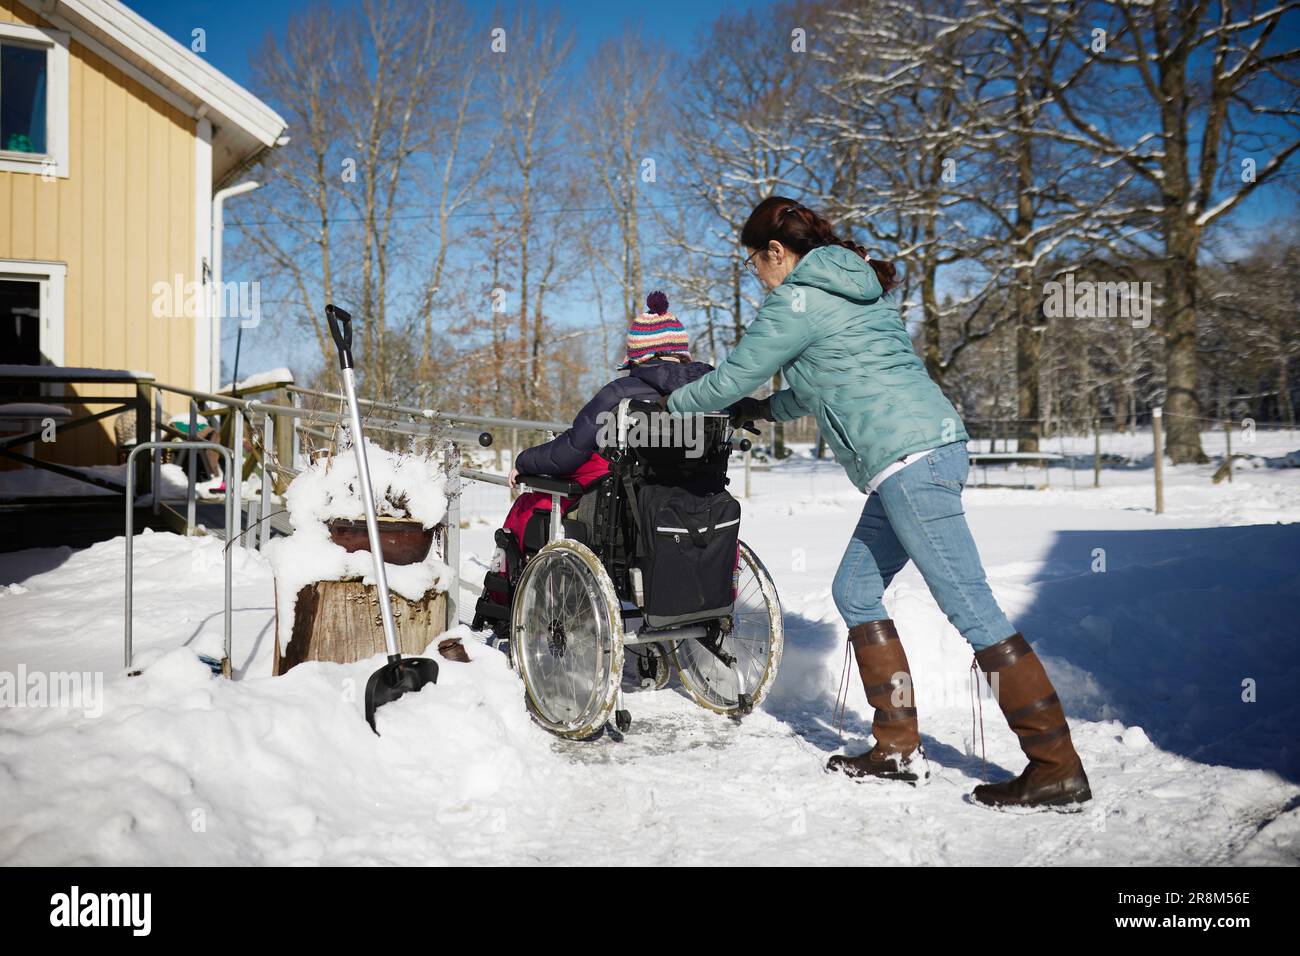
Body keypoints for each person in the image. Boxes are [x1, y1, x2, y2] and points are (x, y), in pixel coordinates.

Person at [665, 196, 1091, 811]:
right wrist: (766, 410)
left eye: (756, 262)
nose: (756, 275)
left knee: (973, 610)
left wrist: (669, 406)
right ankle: (895, 746)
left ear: (777, 253)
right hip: (918, 455)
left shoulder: (795, 300)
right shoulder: (856, 290)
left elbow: (733, 377)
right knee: (854, 590)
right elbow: (823, 385)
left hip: (908, 461)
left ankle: (1055, 766)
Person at [475, 293, 714, 619]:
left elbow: (567, 453)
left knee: (526, 506)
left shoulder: (619, 394)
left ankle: (502, 609)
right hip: (691, 511)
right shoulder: (712, 393)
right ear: (680, 352)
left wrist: (525, 461)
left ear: (638, 355)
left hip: (620, 524)